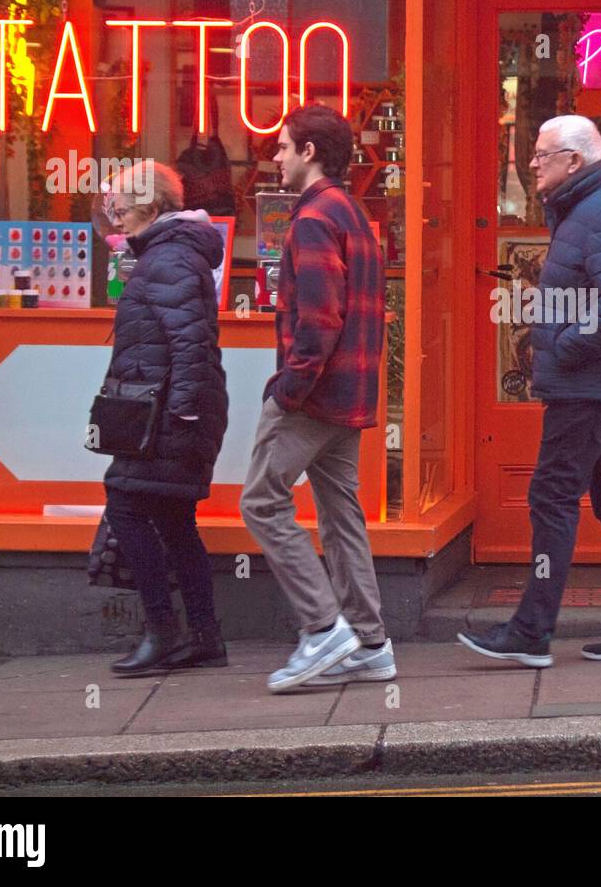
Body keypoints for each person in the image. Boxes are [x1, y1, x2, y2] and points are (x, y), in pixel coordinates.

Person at [459, 115, 601, 667]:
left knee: (552, 496)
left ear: (574, 161)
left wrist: (565, 349)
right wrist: (547, 334)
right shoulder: (589, 211)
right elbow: (596, 296)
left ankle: (531, 633)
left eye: (541, 153)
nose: (532, 163)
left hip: (592, 388)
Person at [239, 104, 393, 693]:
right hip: (350, 394)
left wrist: (288, 389)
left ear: (309, 152)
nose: (275, 158)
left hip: (314, 396)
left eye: (281, 147)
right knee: (340, 512)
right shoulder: (352, 212)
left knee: (261, 502)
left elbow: (320, 320)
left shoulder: (311, 218)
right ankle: (370, 643)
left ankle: (324, 627)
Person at [100, 163, 229, 676]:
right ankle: (203, 637)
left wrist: (182, 414)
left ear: (152, 208)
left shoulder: (169, 256)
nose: (116, 219)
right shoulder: (168, 253)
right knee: (175, 521)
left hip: (168, 416)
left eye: (123, 209)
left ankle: (164, 632)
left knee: (126, 507)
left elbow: (189, 342)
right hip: (164, 410)